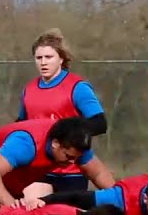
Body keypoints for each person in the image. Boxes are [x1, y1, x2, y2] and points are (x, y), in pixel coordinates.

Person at [0, 117, 116, 215]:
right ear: (55, 144)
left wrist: (121, 199)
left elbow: (98, 173)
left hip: (11, 182)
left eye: (77, 159)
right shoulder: (26, 144)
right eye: (69, 157)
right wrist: (12, 206)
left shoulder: (75, 144)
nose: (72, 163)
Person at [16, 28, 107, 193]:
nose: (43, 62)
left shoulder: (77, 87)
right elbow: (20, 125)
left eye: (49, 57)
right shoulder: (28, 90)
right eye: (39, 58)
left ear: (61, 59)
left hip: (71, 172)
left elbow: (100, 123)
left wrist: (70, 136)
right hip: (39, 170)